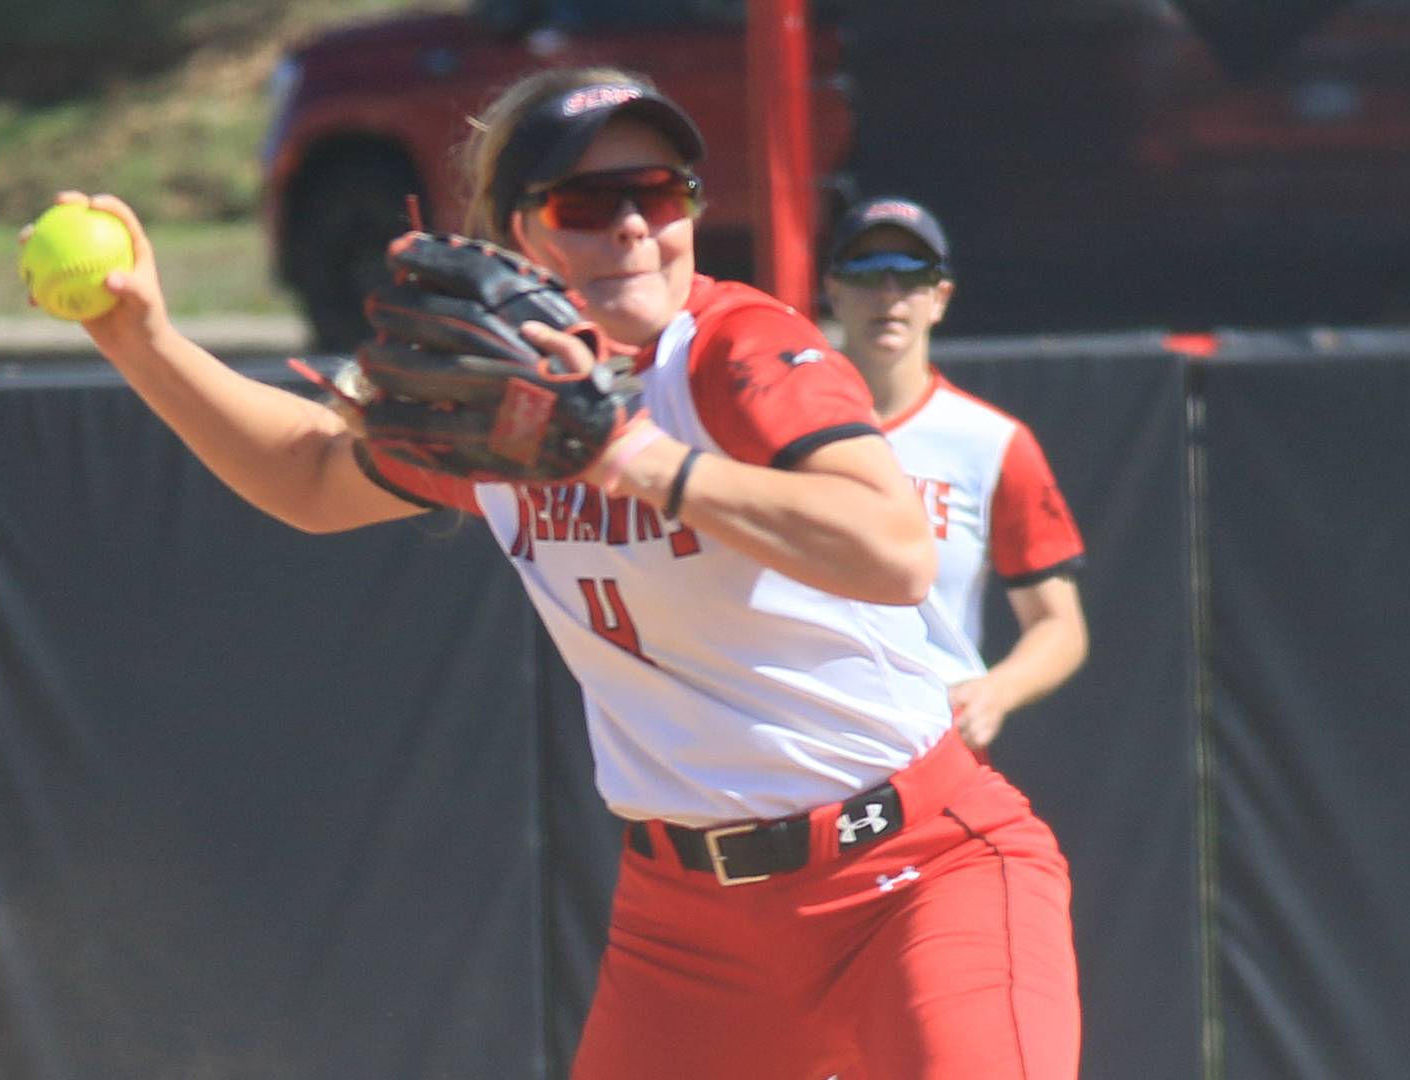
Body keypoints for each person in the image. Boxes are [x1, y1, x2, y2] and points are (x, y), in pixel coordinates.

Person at [62, 68, 1078, 1080]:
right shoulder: (499, 400)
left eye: (661, 193)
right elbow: (316, 477)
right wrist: (142, 340)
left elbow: (895, 552)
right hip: (692, 926)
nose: (635, 227)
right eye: (589, 204)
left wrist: (627, 456)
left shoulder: (730, 346)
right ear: (522, 234)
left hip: (916, 872)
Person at [823, 197, 1089, 759]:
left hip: (934, 756)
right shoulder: (774, 430)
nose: (889, 293)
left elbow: (1059, 624)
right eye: (867, 272)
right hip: (806, 748)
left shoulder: (991, 443)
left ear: (940, 298)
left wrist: (997, 690)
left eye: (913, 275)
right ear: (834, 291)